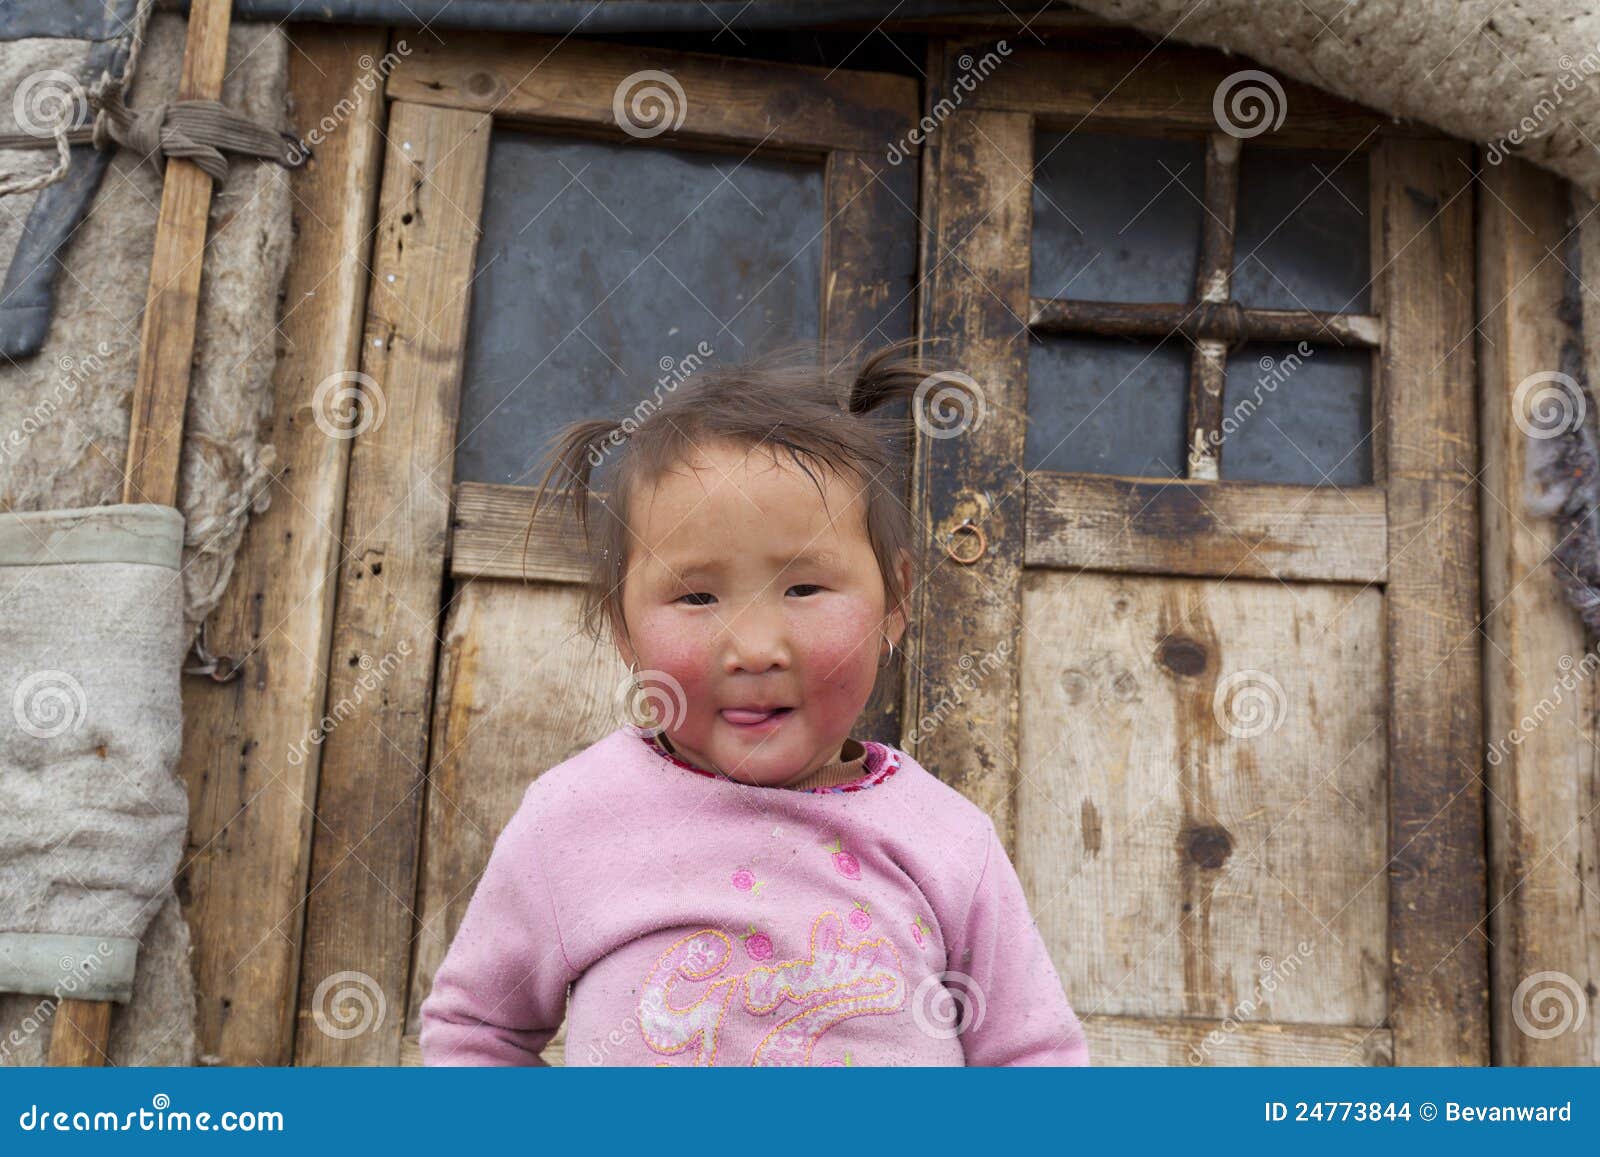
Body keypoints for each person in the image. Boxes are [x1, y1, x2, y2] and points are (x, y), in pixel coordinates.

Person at [418, 341, 1090, 1067]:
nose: (755, 647)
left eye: (804, 589)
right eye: (697, 596)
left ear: (894, 601)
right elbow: (475, 1034)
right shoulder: (576, 818)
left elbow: (1034, 1057)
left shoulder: (948, 841)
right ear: (622, 627)